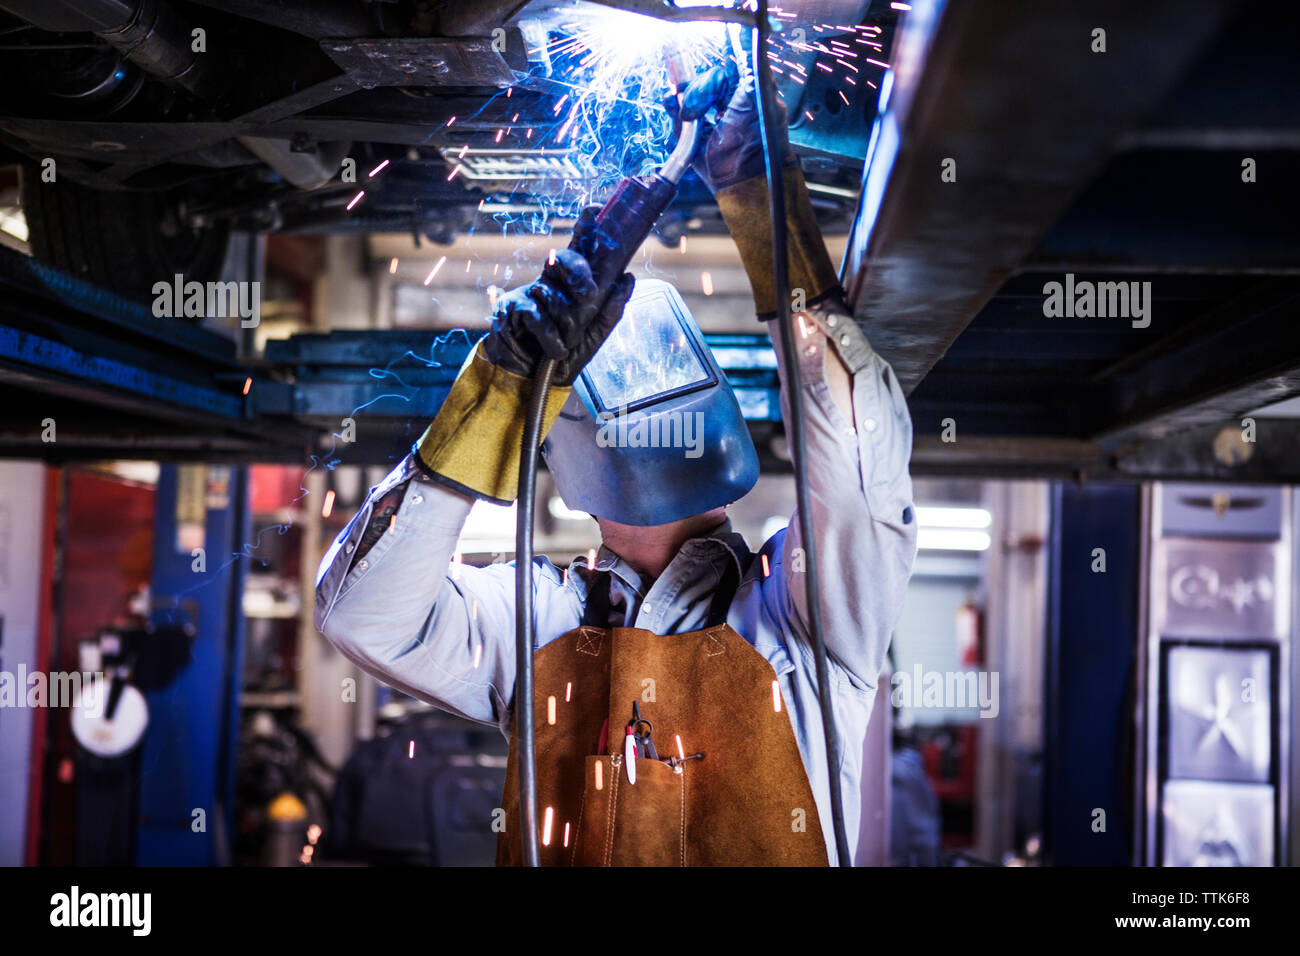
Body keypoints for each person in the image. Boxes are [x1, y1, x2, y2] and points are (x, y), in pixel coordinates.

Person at [314, 67, 917, 866]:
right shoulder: (538, 620)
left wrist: (753, 188)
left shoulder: (799, 607)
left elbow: (850, 431)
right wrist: (492, 393)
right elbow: (361, 615)